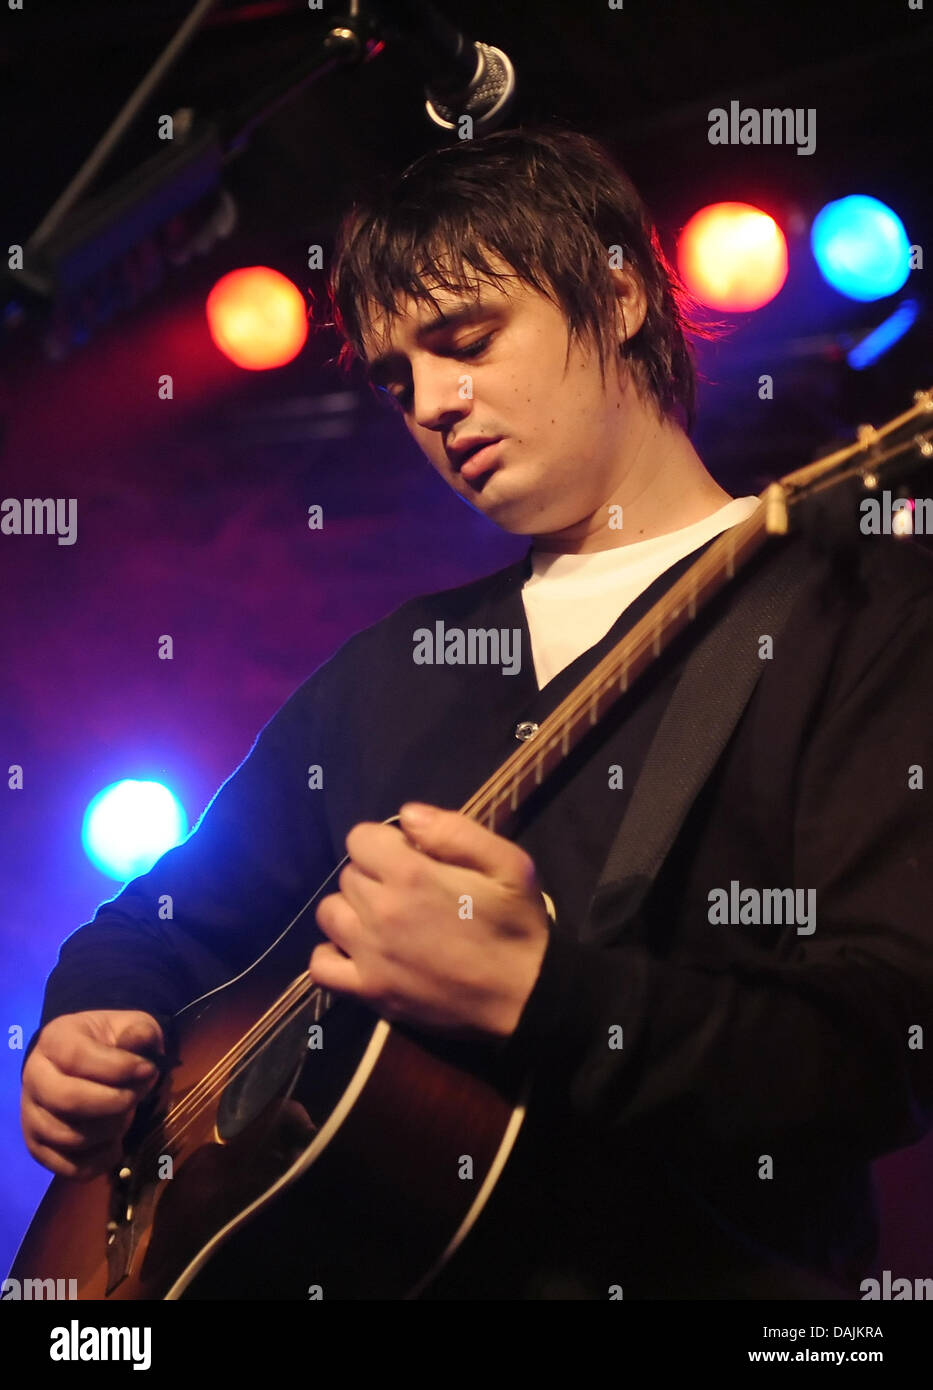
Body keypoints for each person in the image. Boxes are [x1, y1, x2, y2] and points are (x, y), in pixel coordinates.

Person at [19, 125, 933, 1299]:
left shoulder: (858, 612)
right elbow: (164, 914)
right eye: (399, 379)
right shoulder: (389, 667)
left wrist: (547, 996)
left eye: (468, 343)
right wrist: (88, 1020)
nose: (435, 407)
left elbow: (885, 1048)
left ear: (619, 297)